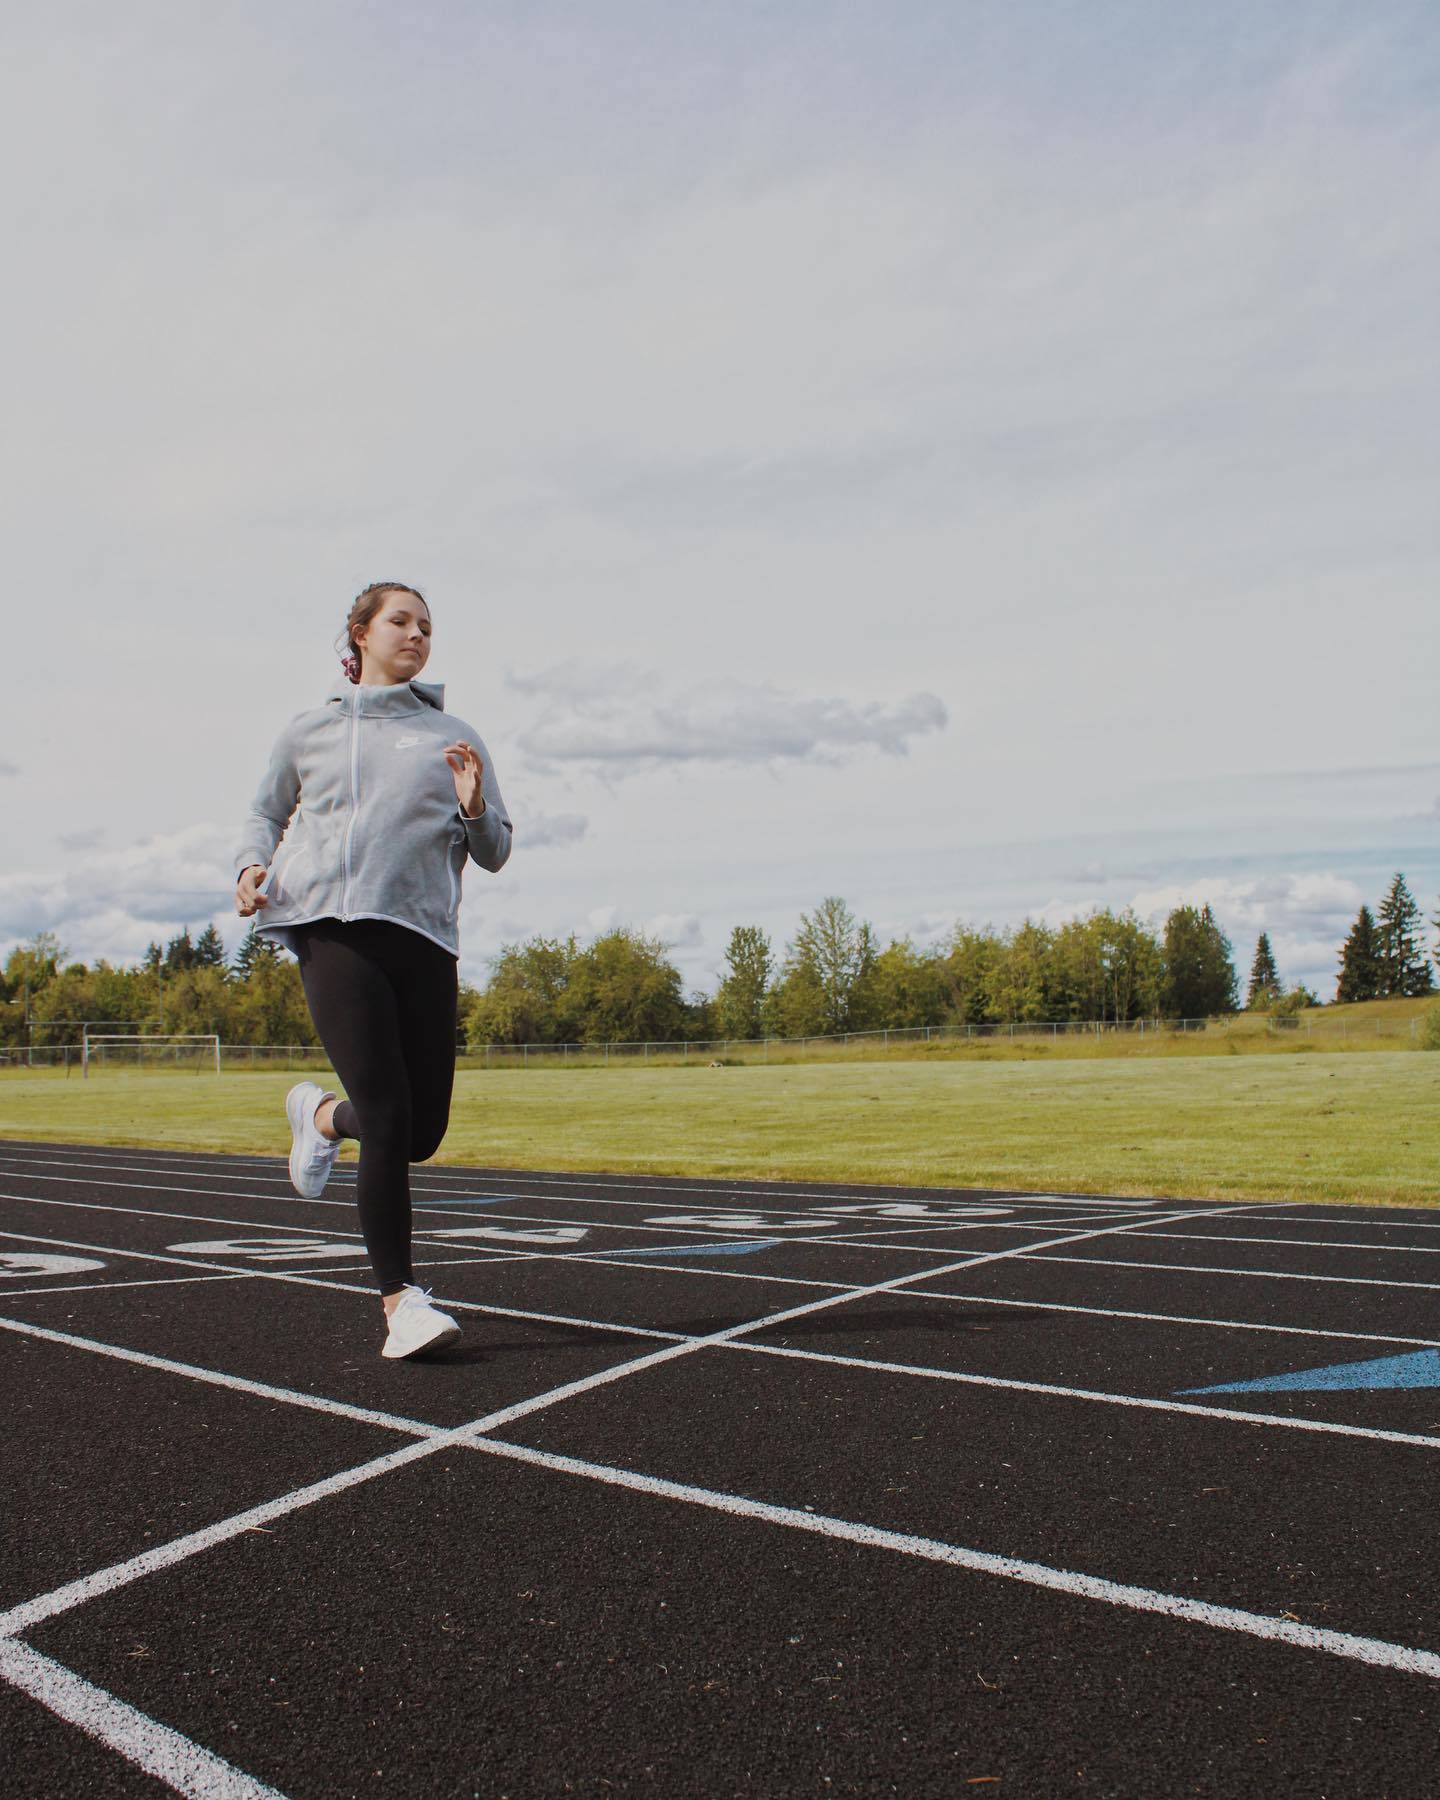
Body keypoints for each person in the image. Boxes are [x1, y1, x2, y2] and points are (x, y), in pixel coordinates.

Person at [233, 582, 512, 1359]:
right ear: (359, 633)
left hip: (423, 936)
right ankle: (401, 1304)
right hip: (331, 928)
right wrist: (251, 865)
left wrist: (474, 805)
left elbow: (494, 851)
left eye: (427, 626)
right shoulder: (309, 732)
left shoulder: (454, 734)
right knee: (388, 1117)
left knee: (419, 1133)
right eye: (401, 621)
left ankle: (322, 1118)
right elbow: (262, 814)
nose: (418, 635)